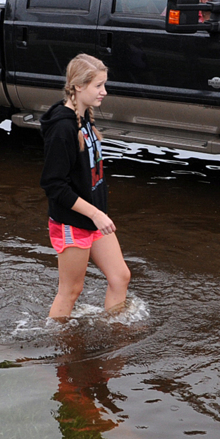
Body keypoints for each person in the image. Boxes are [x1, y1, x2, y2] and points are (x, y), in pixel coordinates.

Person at [40, 54, 131, 320]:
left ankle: (114, 333)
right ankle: (57, 340)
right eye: (98, 85)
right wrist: (95, 213)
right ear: (78, 86)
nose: (104, 91)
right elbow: (54, 185)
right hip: (73, 221)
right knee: (71, 290)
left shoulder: (84, 117)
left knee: (120, 277)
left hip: (94, 218)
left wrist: (98, 213)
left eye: (104, 84)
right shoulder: (62, 128)